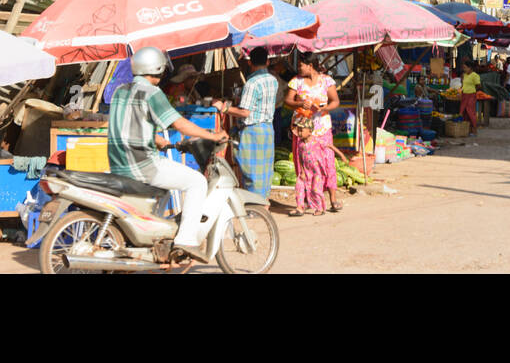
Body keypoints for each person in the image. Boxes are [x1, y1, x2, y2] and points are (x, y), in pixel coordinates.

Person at [107, 46, 226, 259]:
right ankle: (186, 240)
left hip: (117, 163)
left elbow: (127, 124)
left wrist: (154, 138)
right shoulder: (152, 93)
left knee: (166, 186)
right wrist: (213, 136)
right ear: (158, 69)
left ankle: (155, 237)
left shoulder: (120, 91)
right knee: (197, 181)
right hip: (142, 164)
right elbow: (180, 124)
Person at [284, 54, 342, 216]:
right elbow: (287, 101)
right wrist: (300, 103)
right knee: (302, 164)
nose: (298, 68)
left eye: (301, 65)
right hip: (301, 130)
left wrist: (323, 109)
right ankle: (306, 201)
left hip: (322, 128)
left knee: (327, 162)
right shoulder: (296, 81)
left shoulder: (327, 81)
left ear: (310, 65)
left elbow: (335, 101)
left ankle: (332, 199)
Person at [220, 46, 276, 199]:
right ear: (268, 61)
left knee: (251, 171)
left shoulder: (252, 83)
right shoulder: (273, 80)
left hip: (253, 130)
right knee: (264, 170)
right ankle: (264, 201)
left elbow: (245, 112)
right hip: (267, 129)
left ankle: (256, 204)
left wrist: (224, 108)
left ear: (250, 63)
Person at [459, 60, 482, 137]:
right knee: (464, 112)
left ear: (470, 68)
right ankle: (467, 130)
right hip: (464, 95)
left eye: (465, 68)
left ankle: (474, 130)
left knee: (471, 112)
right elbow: (463, 84)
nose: (464, 69)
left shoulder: (475, 75)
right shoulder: (464, 75)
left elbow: (478, 86)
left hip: (471, 95)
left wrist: (473, 91)